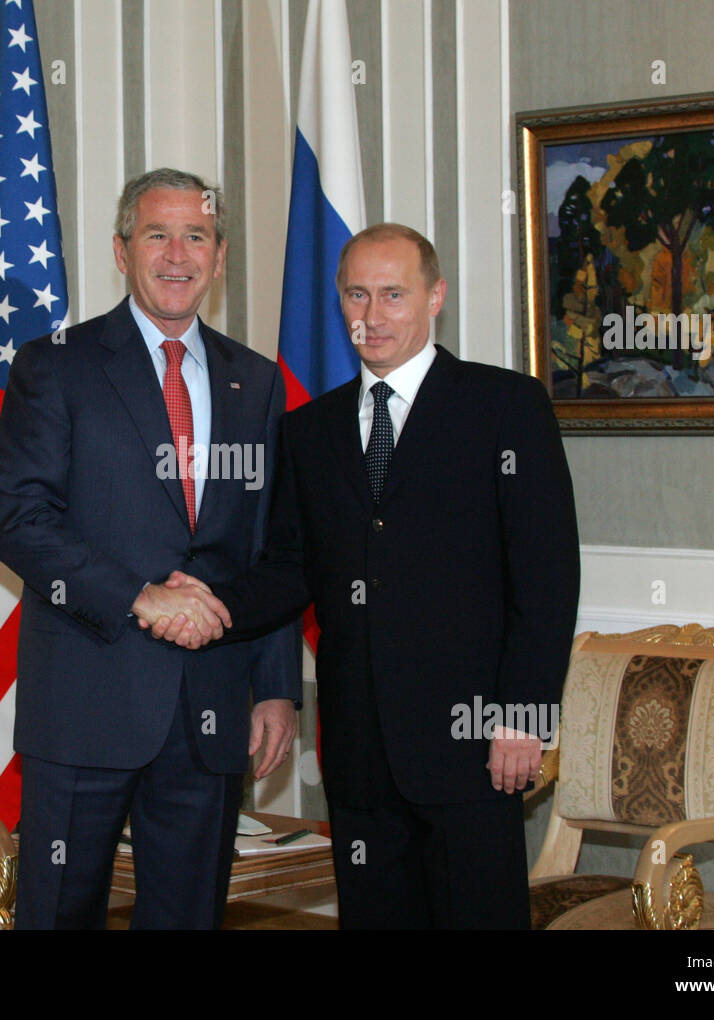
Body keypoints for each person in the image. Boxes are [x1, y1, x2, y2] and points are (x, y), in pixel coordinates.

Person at [152, 223, 580, 928]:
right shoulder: (309, 429)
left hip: (475, 745)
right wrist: (214, 601)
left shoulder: (506, 407)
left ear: (434, 297)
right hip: (358, 752)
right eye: (356, 294)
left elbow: (547, 575)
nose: (371, 315)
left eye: (392, 294)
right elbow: (293, 568)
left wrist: (523, 717)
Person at [0, 167, 301, 930]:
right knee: (59, 913)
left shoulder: (255, 383)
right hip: (87, 701)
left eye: (196, 236)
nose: (176, 254)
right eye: (156, 234)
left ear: (220, 257)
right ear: (122, 251)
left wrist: (275, 684)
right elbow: (18, 521)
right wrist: (139, 596)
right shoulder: (55, 365)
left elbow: (270, 545)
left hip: (212, 708)